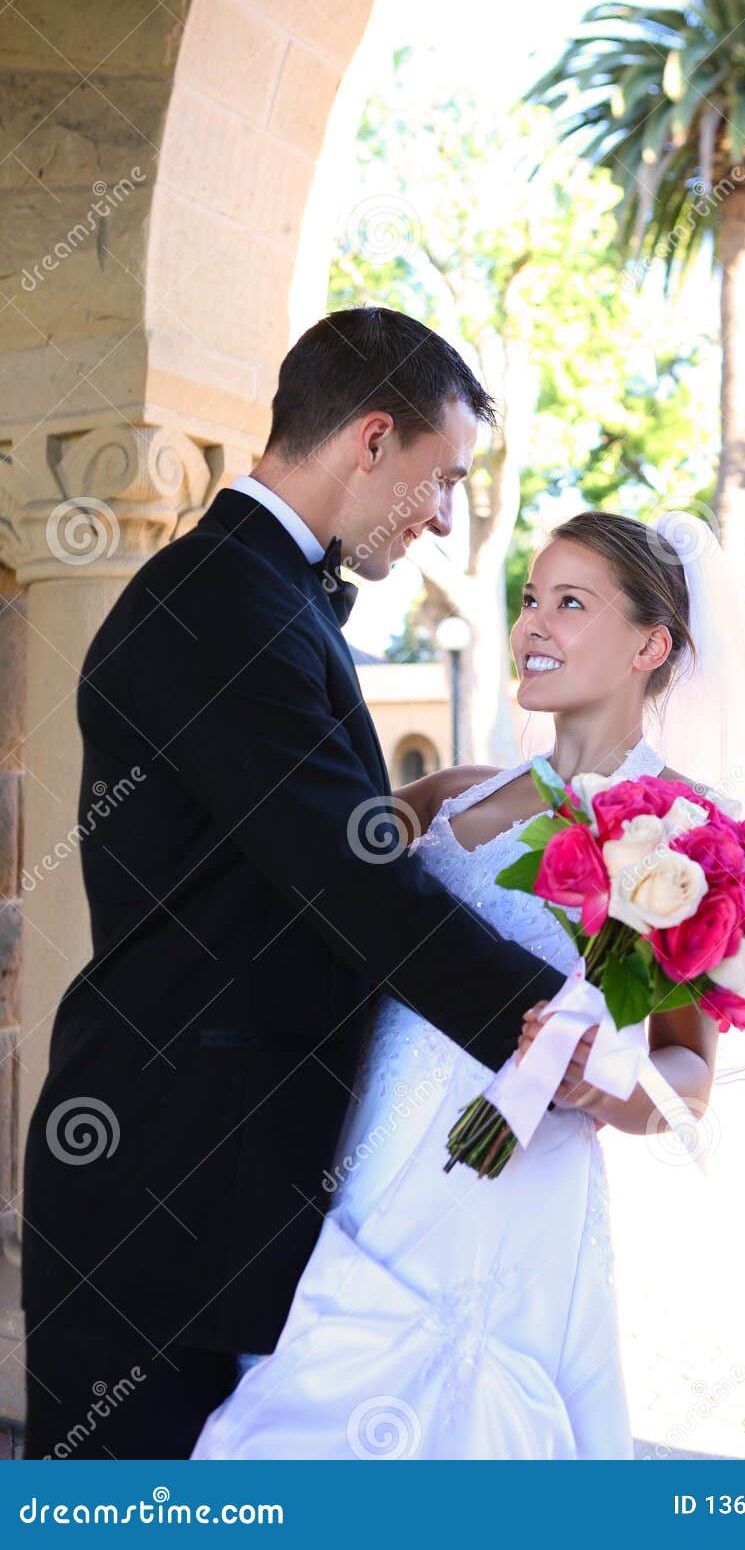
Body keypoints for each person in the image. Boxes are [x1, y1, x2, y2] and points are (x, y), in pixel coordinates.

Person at [19, 307, 580, 1460]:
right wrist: (545, 1023)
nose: (439, 516)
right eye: (441, 478)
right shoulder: (223, 598)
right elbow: (345, 874)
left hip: (215, 1173)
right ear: (371, 438)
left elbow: (295, 841)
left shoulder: (256, 588)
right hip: (170, 1182)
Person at [191, 511, 720, 1459]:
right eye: (527, 599)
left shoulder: (690, 838)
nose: (531, 626)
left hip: (504, 1204)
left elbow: (689, 1078)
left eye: (569, 602)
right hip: (353, 1154)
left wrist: (602, 1079)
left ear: (651, 642)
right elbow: (285, 866)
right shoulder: (449, 794)